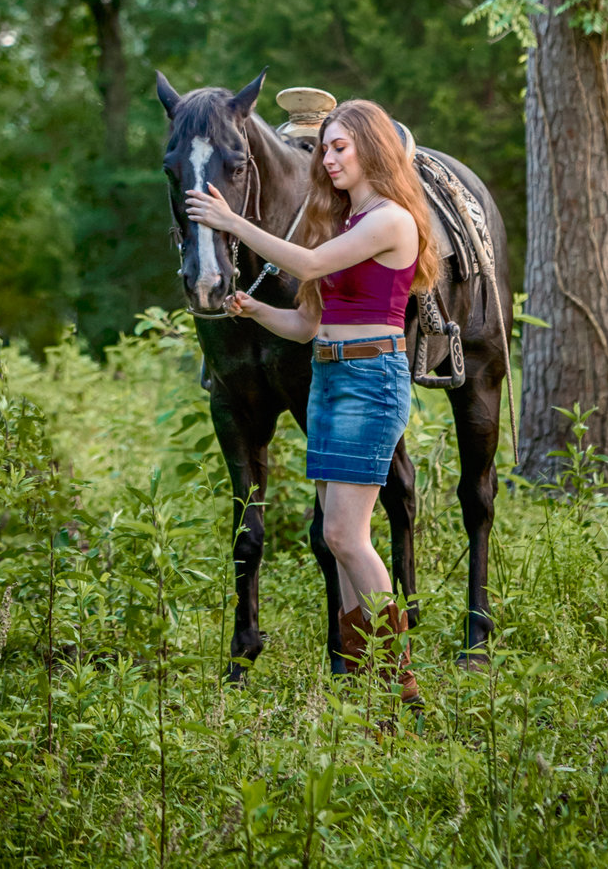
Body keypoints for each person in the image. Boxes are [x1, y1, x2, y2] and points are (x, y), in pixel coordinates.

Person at [185, 97, 439, 706]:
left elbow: (307, 262)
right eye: (324, 148)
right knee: (334, 534)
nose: (327, 158)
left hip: (369, 381)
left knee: (348, 538)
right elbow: (306, 325)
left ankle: (400, 680)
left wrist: (233, 224)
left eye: (339, 146)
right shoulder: (351, 224)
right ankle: (364, 681)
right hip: (329, 379)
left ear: (373, 148)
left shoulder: (391, 220)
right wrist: (253, 309)